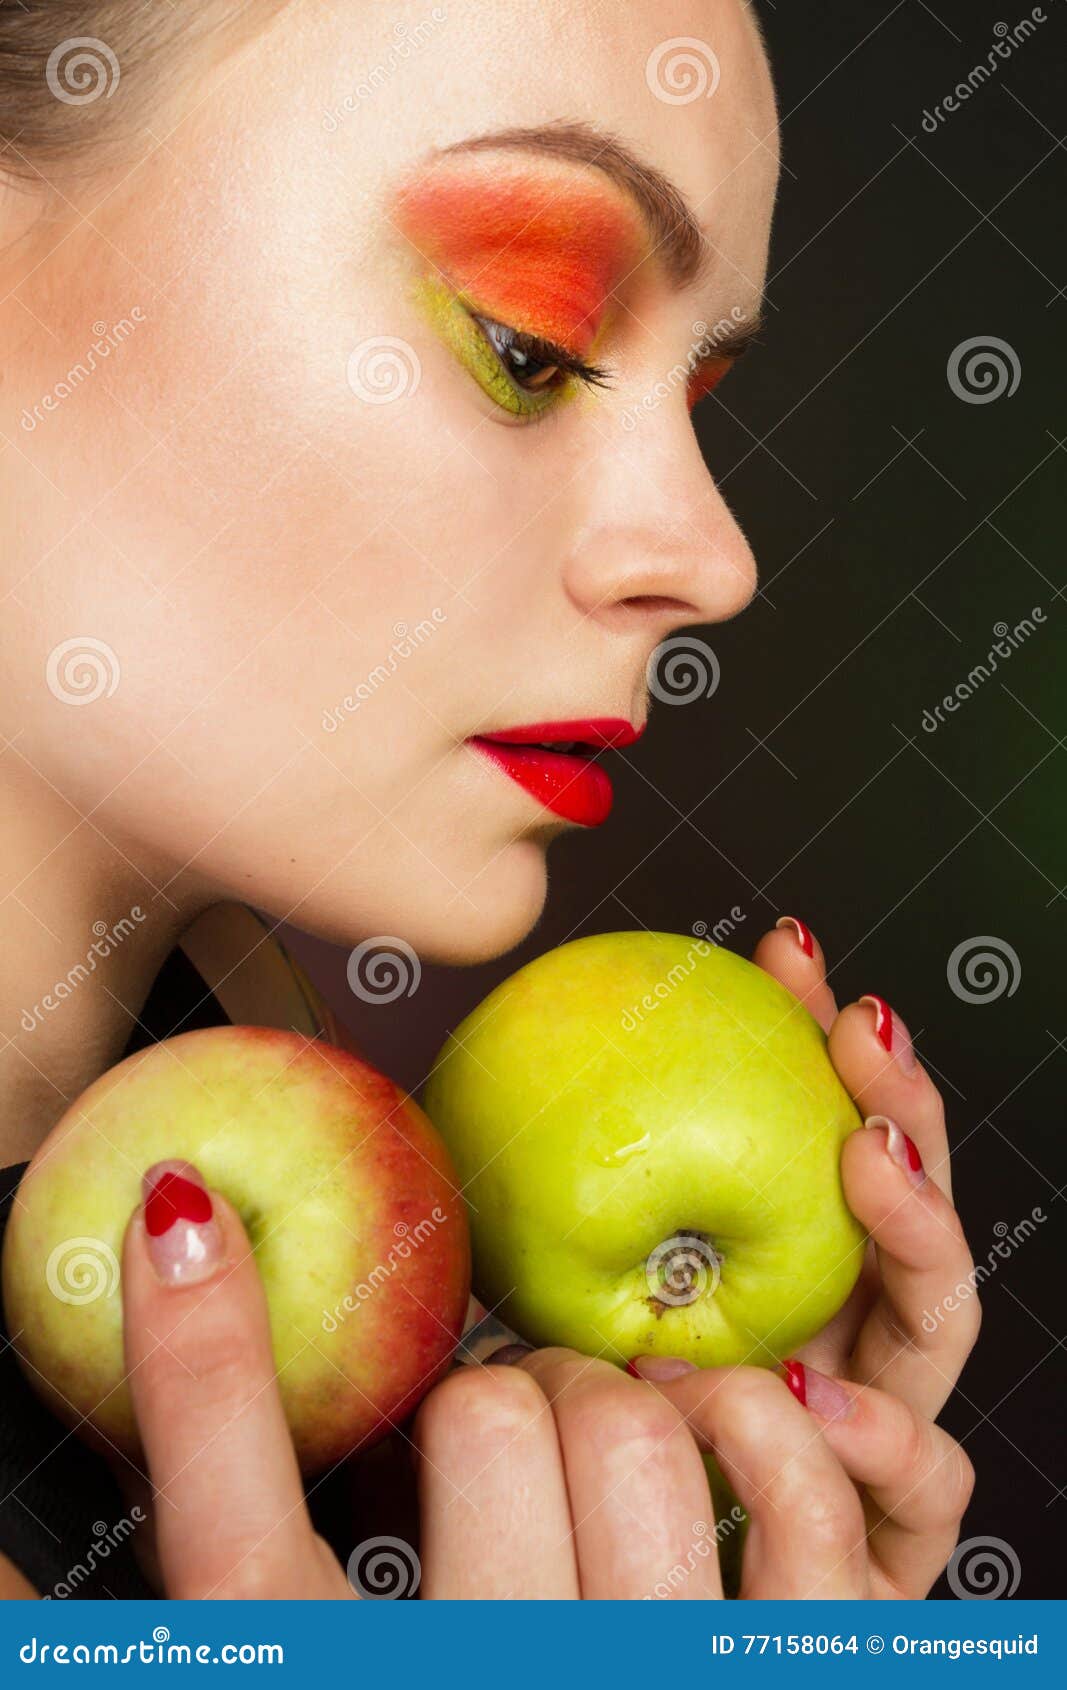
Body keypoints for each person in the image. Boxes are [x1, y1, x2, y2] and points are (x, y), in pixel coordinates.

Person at [0, 0, 978, 1598]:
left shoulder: (243, 1041)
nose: (714, 561)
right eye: (530, 340)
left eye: (699, 397)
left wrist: (712, 1534)